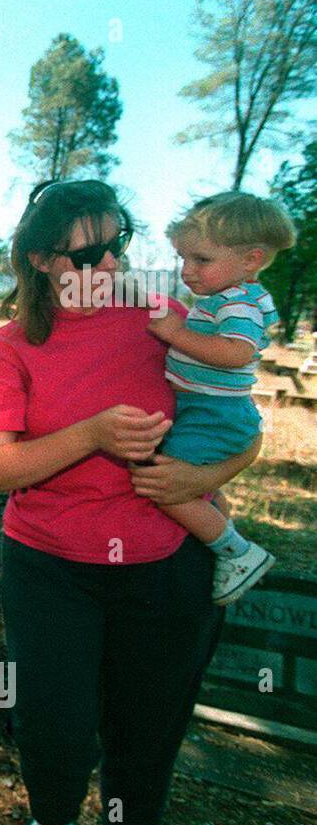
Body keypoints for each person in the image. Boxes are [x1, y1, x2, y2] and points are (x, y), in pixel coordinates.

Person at [0, 179, 261, 825]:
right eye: (87, 254)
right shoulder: (10, 348)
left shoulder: (162, 319)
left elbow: (245, 424)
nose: (109, 266)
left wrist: (205, 477)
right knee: (53, 722)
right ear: (40, 260)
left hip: (165, 566)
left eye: (118, 244)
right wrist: (91, 436)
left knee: (147, 730)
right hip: (49, 570)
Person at [149, 191, 296, 604]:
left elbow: (237, 353)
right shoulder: (225, 297)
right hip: (206, 410)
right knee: (180, 480)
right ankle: (217, 521)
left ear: (250, 259)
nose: (187, 271)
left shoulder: (240, 304)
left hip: (215, 414)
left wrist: (177, 333)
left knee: (165, 485)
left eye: (201, 260)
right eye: (183, 258)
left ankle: (236, 551)